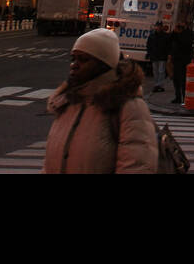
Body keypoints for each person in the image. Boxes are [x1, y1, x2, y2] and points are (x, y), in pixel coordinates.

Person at [43, 28, 157, 174]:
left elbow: (138, 166)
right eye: (73, 58)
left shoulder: (128, 106)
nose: (74, 65)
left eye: (83, 59)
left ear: (104, 65)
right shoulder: (68, 103)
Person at [168, 20, 194, 105]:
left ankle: (184, 97)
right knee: (176, 79)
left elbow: (185, 44)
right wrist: (174, 32)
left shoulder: (189, 33)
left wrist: (179, 34)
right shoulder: (177, 33)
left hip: (184, 59)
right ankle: (178, 97)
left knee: (183, 80)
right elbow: (170, 40)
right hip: (176, 59)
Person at [145, 22, 170, 94]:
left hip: (162, 55)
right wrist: (149, 53)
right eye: (157, 26)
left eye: (159, 26)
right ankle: (157, 84)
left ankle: (159, 84)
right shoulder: (152, 35)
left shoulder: (165, 36)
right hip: (155, 55)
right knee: (155, 71)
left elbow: (168, 46)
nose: (158, 28)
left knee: (161, 71)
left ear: (161, 27)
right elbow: (149, 45)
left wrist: (168, 54)